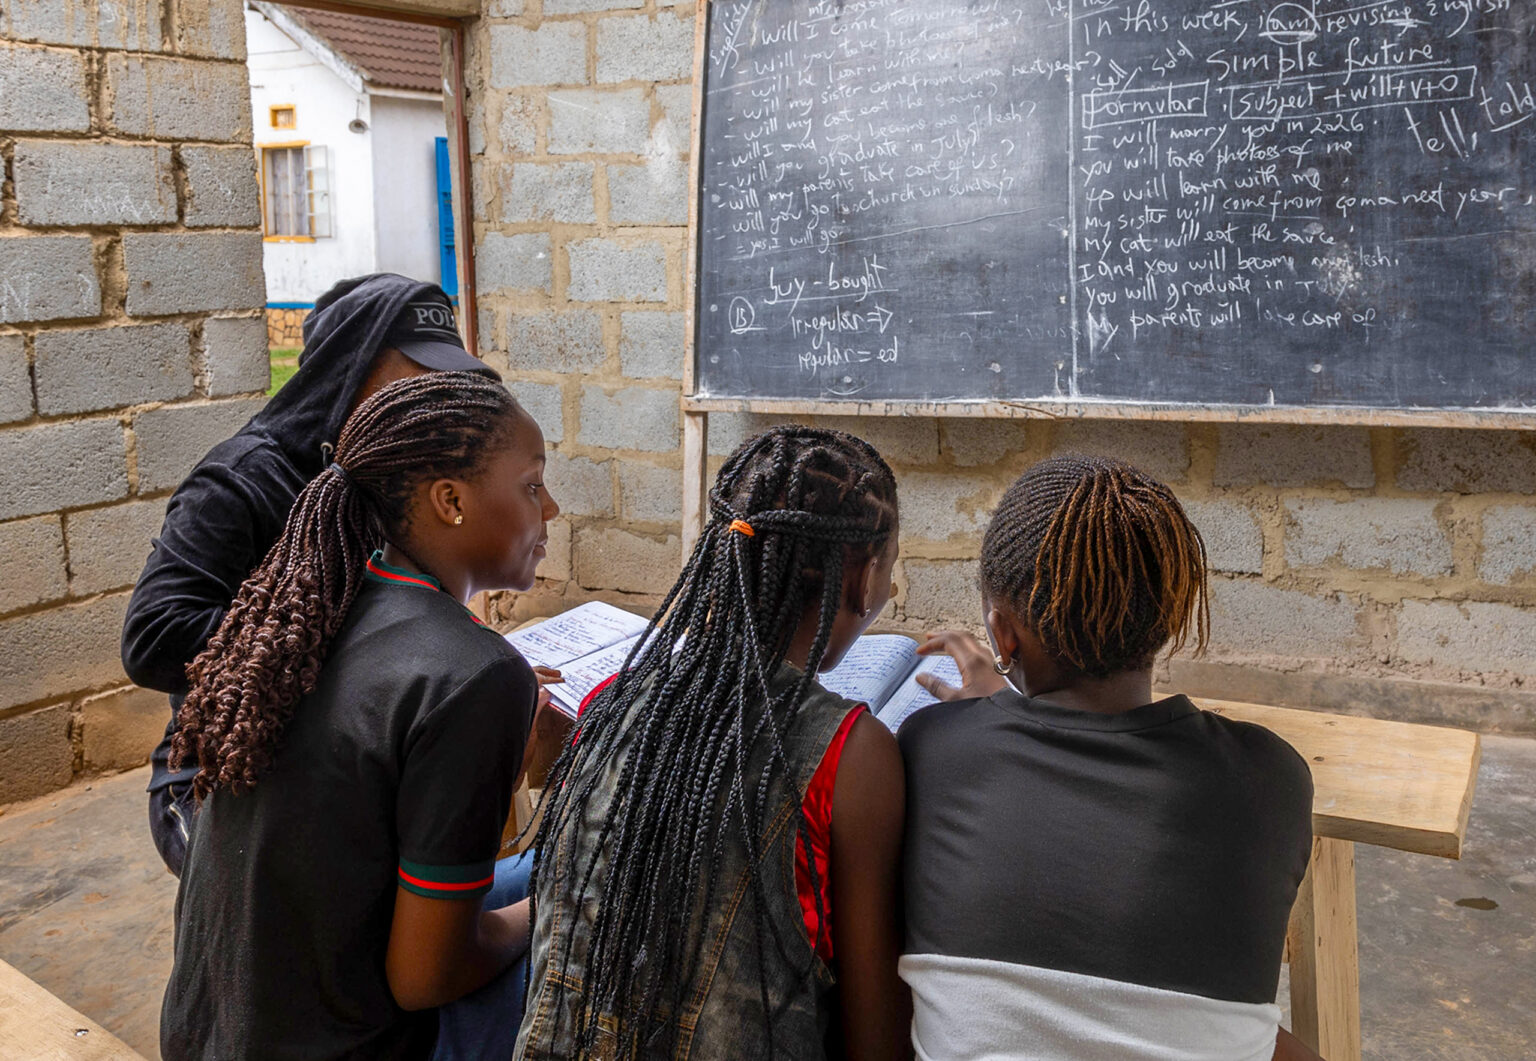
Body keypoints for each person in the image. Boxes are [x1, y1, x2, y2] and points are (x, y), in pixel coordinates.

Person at [160, 372, 558, 1060]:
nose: (550, 507)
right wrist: (554, 918)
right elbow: (423, 978)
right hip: (349, 1043)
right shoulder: (478, 673)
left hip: (211, 1034)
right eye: (531, 485)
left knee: (556, 864)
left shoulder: (300, 613)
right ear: (451, 501)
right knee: (607, 918)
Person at [901, 455, 1320, 1061]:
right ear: (1173, 615)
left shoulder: (934, 746)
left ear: (1001, 632)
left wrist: (992, 711)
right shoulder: (1271, 778)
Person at [519, 425, 912, 1061]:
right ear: (863, 582)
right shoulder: (852, 753)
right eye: (889, 573)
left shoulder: (608, 700)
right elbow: (877, 1036)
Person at [122, 273, 502, 878]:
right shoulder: (240, 479)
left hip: (351, 750)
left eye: (450, 381)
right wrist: (344, 647)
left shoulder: (397, 479)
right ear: (347, 370)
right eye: (420, 376)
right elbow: (153, 640)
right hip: (224, 768)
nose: (438, 398)